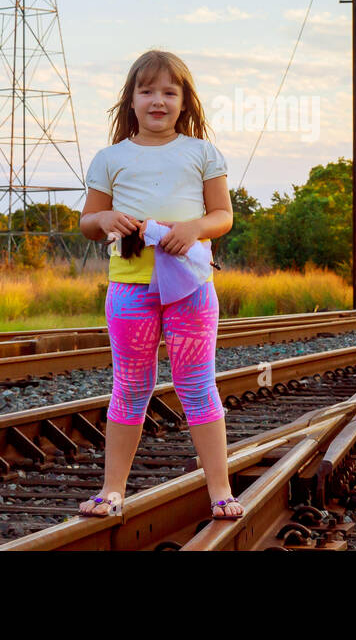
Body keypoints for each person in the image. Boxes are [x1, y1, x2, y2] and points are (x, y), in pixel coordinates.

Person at [76, 50, 243, 519]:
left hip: (190, 288)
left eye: (169, 92)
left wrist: (193, 228)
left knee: (197, 383)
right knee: (130, 384)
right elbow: (89, 222)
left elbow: (222, 215)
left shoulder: (202, 153)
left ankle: (220, 490)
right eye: (147, 91)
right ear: (130, 100)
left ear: (185, 102)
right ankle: (112, 490)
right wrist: (105, 217)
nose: (158, 101)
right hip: (131, 289)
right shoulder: (111, 158)